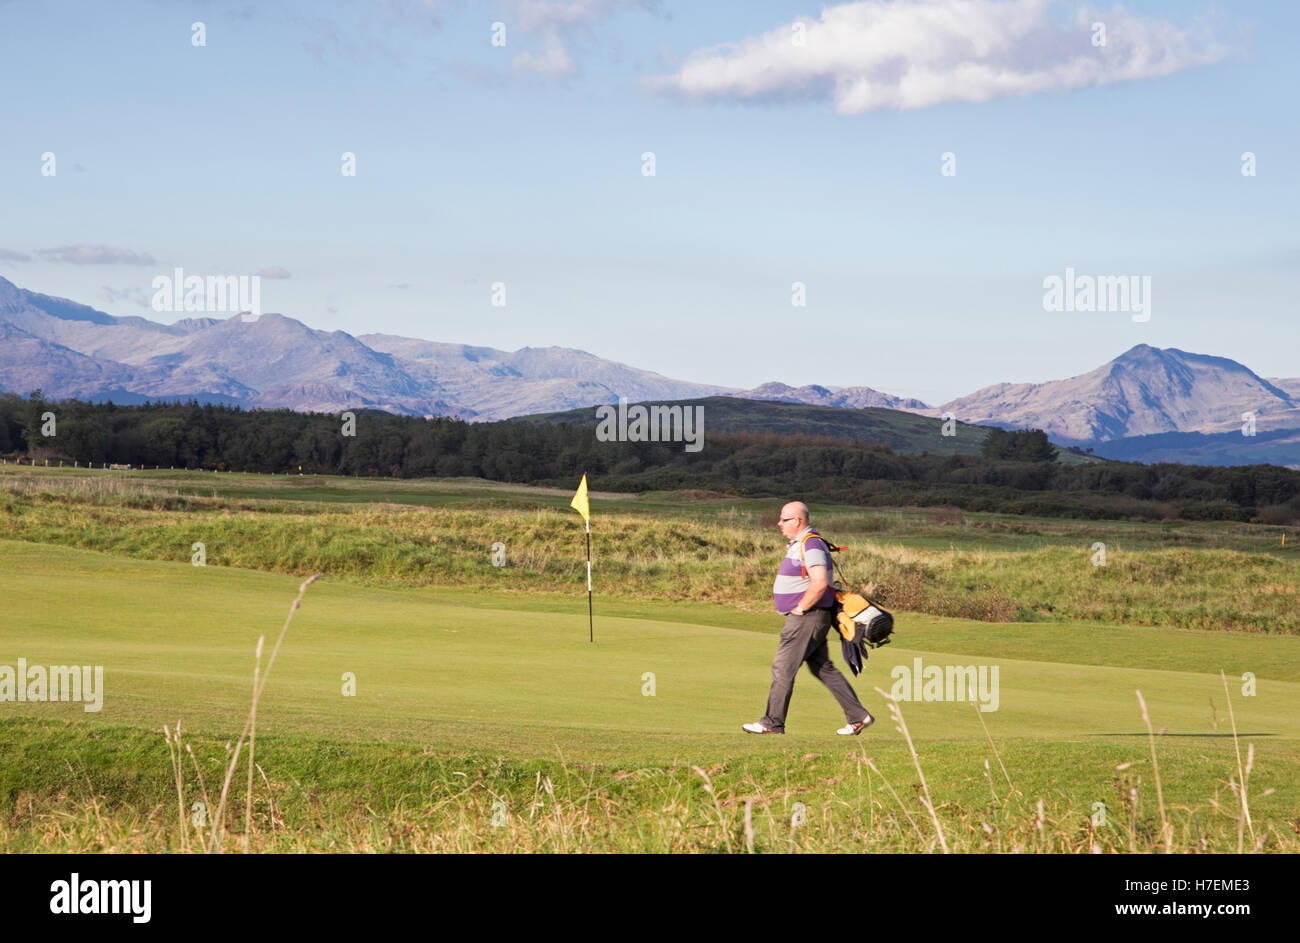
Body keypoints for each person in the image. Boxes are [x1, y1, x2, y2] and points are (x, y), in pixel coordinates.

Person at [743, 501, 874, 736]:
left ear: (797, 521)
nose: (779, 523)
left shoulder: (811, 543)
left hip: (807, 617)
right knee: (823, 667)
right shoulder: (803, 543)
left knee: (782, 668)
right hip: (814, 617)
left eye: (783, 519)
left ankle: (772, 723)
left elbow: (820, 581)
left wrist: (801, 607)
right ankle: (857, 716)